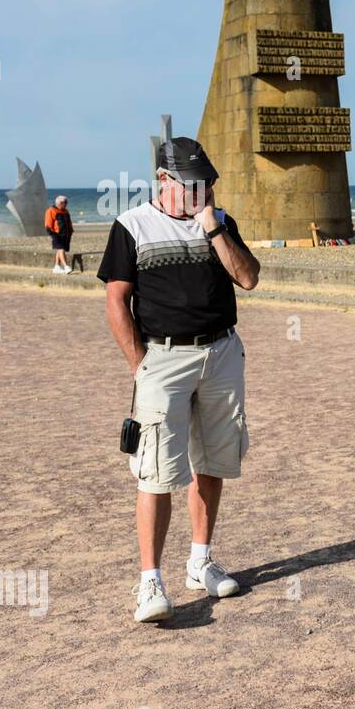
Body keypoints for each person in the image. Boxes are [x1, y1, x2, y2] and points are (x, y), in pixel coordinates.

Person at [98, 137, 261, 624]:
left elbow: (249, 278)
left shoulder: (220, 221)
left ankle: (200, 561)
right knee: (157, 472)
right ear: (164, 182)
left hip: (222, 351)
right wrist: (139, 363)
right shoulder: (132, 226)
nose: (205, 191)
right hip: (162, 359)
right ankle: (150, 580)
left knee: (213, 461)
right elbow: (115, 301)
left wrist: (213, 229)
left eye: (209, 184)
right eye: (196, 185)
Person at [45, 195, 73, 274]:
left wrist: (71, 231)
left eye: (66, 203)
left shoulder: (65, 211)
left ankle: (56, 266)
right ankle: (66, 266)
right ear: (59, 203)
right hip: (56, 234)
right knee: (61, 249)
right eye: (65, 203)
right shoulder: (51, 210)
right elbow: (48, 224)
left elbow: (69, 222)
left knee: (59, 250)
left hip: (66, 234)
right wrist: (53, 234)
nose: (66, 204)